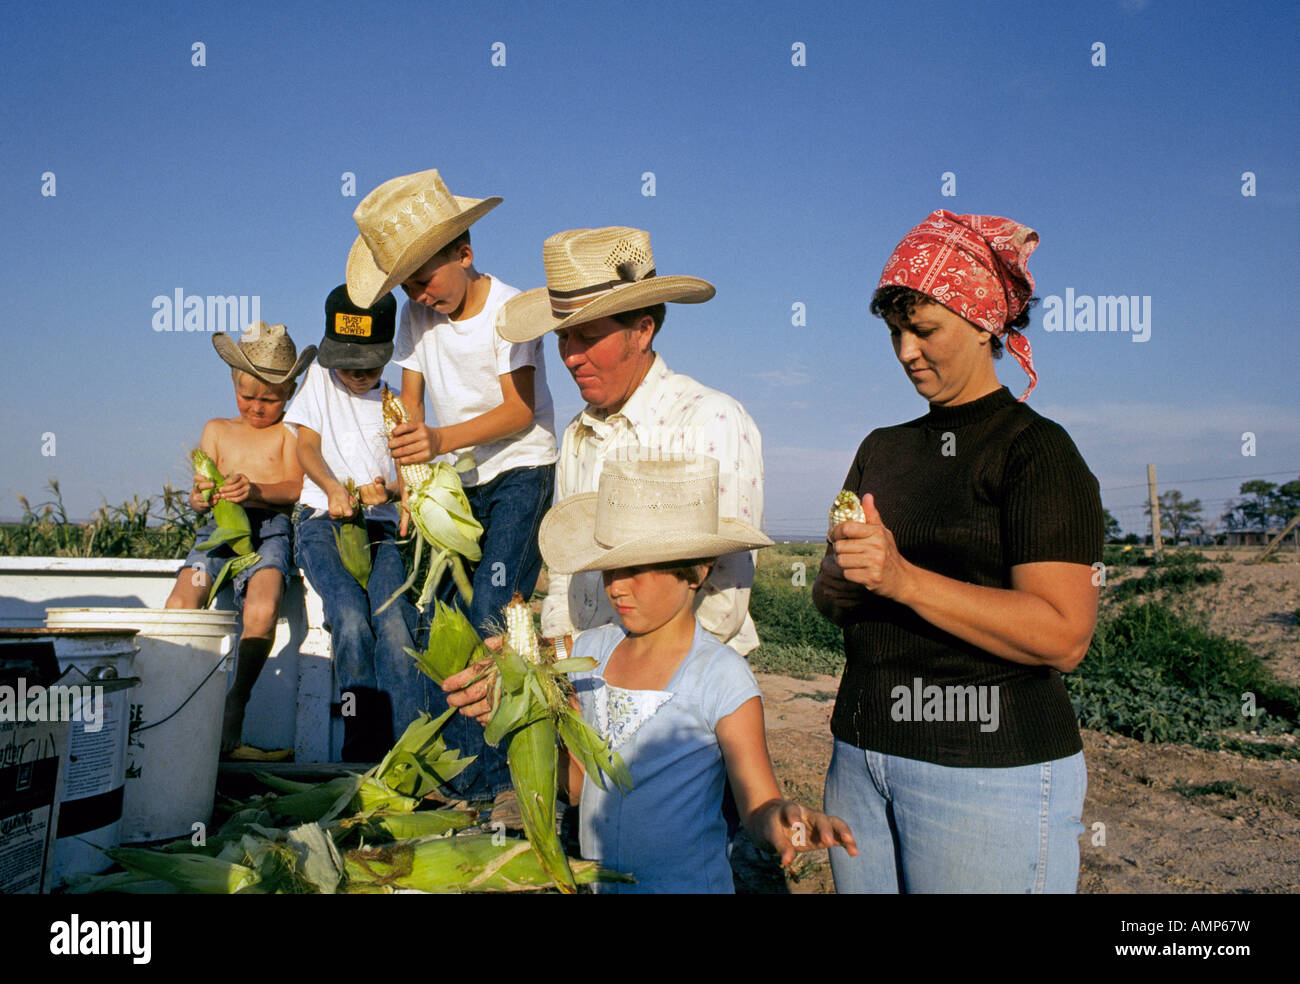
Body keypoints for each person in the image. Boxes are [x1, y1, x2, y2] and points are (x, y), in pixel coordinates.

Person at [812, 210, 1105, 893]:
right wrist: (840, 575)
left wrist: (903, 579)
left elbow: (1063, 635)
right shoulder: (881, 448)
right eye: (894, 333)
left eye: (924, 329)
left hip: (985, 772)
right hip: (860, 758)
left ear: (983, 324)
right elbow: (834, 603)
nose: (907, 351)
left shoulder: (1037, 452)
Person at [476, 453, 857, 893]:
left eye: (636, 569)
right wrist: (524, 726)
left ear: (697, 571)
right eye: (610, 568)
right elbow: (579, 789)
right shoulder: (591, 654)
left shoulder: (721, 677)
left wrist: (784, 824)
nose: (616, 586)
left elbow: (758, 806)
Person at [346, 169, 558, 805]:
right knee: (435, 619)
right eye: (409, 285)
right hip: (458, 483)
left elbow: (519, 412)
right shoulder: (416, 317)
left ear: (464, 253)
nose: (421, 294)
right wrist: (413, 485)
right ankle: (464, 774)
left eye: (427, 278)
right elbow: (409, 408)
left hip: (522, 470)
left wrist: (439, 441)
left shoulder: (509, 310)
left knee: (487, 611)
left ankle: (496, 784)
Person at [494, 226, 764, 660]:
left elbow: (723, 596)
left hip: (682, 690)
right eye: (563, 337)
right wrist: (562, 658)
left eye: (587, 336)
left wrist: (626, 669)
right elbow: (567, 570)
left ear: (641, 331)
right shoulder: (578, 435)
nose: (570, 356)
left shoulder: (708, 421)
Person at [284, 286, 426, 762]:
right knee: (348, 616)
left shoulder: (398, 402)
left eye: (369, 367)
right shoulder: (321, 384)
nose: (358, 375)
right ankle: (360, 752)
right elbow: (306, 446)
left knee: (394, 624)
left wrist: (383, 491)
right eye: (348, 365)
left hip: (383, 528)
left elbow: (408, 477)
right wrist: (331, 487)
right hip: (322, 520)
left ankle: (409, 752)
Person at [166, 321, 313, 755]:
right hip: (218, 530)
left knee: (263, 608)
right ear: (233, 382)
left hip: (269, 528)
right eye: (248, 397)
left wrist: (256, 491)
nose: (257, 407)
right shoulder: (215, 429)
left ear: (289, 393)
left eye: (270, 399)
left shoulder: (291, 433)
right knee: (181, 602)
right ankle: (179, 695)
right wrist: (199, 497)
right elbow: (199, 495)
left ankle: (237, 699)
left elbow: (296, 488)